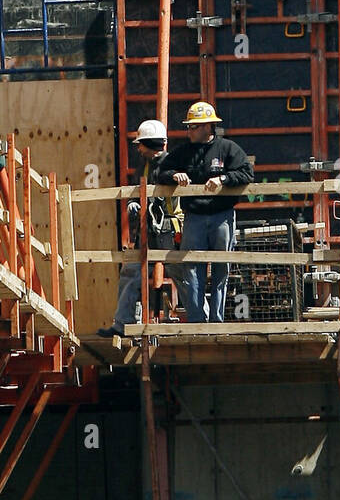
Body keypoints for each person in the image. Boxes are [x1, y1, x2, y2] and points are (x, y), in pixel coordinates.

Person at [164, 101, 253, 324]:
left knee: (221, 269)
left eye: (193, 127)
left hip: (222, 216)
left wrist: (223, 179)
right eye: (189, 127)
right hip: (194, 218)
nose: (189, 131)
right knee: (192, 269)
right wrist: (174, 175)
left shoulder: (228, 149)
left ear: (207, 126)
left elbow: (247, 173)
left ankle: (217, 321)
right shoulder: (184, 152)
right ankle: (197, 322)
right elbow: (160, 170)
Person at [98, 119, 182, 338]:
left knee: (183, 276)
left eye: (141, 144)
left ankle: (204, 322)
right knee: (130, 272)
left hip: (168, 229)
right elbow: (139, 190)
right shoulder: (145, 166)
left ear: (150, 143)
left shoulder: (172, 163)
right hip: (147, 229)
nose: (138, 148)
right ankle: (122, 323)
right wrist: (136, 203)